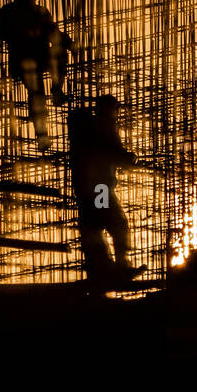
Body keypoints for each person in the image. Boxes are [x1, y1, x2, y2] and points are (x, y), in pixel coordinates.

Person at [0, 0, 71, 148]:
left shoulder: (40, 11)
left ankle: (57, 90)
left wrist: (68, 42)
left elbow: (53, 34)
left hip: (41, 57)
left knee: (60, 53)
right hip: (23, 62)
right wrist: (24, 33)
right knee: (36, 93)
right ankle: (42, 134)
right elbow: (2, 34)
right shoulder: (9, 11)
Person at [69, 94, 136, 285]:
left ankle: (103, 268)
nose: (117, 114)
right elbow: (112, 153)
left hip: (87, 187)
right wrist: (129, 159)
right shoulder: (104, 128)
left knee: (96, 227)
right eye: (116, 109)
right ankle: (120, 265)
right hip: (100, 187)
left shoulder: (90, 128)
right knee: (117, 223)